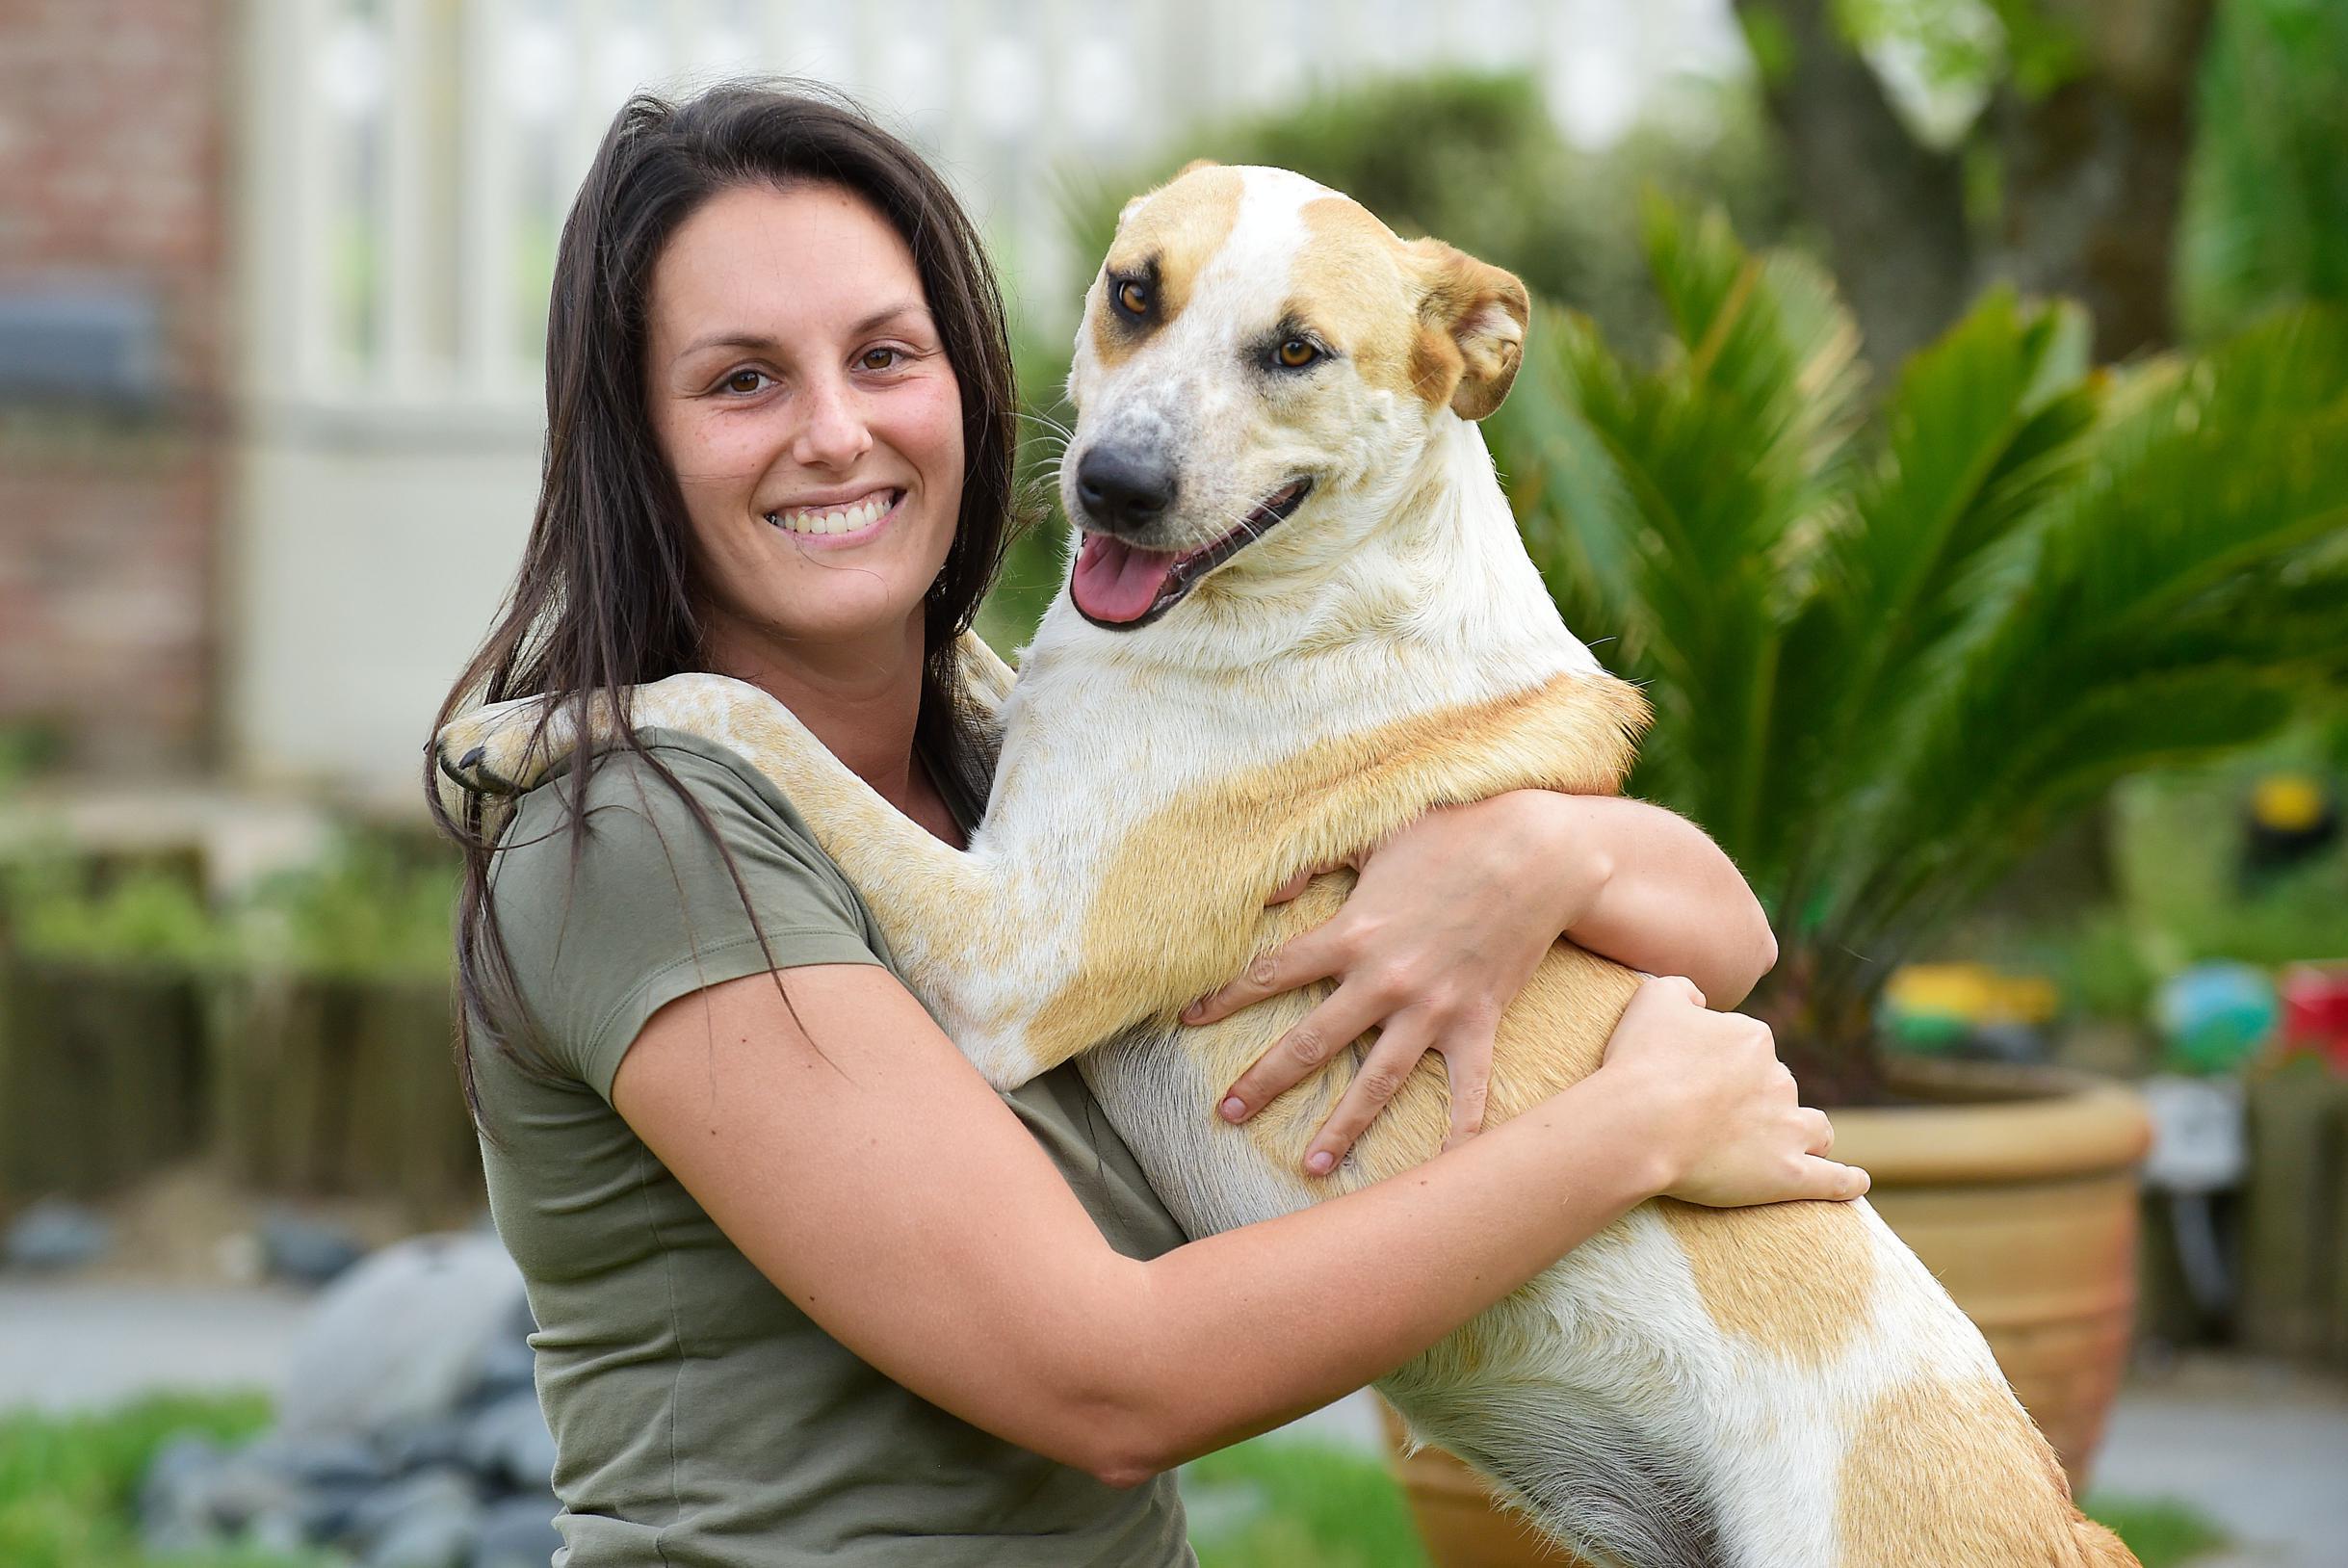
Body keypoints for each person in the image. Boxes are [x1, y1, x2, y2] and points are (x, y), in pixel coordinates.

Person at [426, 82, 1869, 1568]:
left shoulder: (1017, 766)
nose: (836, 432)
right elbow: (1107, 1378)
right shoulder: (642, 834)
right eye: (741, 381)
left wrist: (1530, 851)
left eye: (882, 356)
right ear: (629, 432)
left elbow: (1729, 934)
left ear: (968, 377)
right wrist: (1632, 1131)